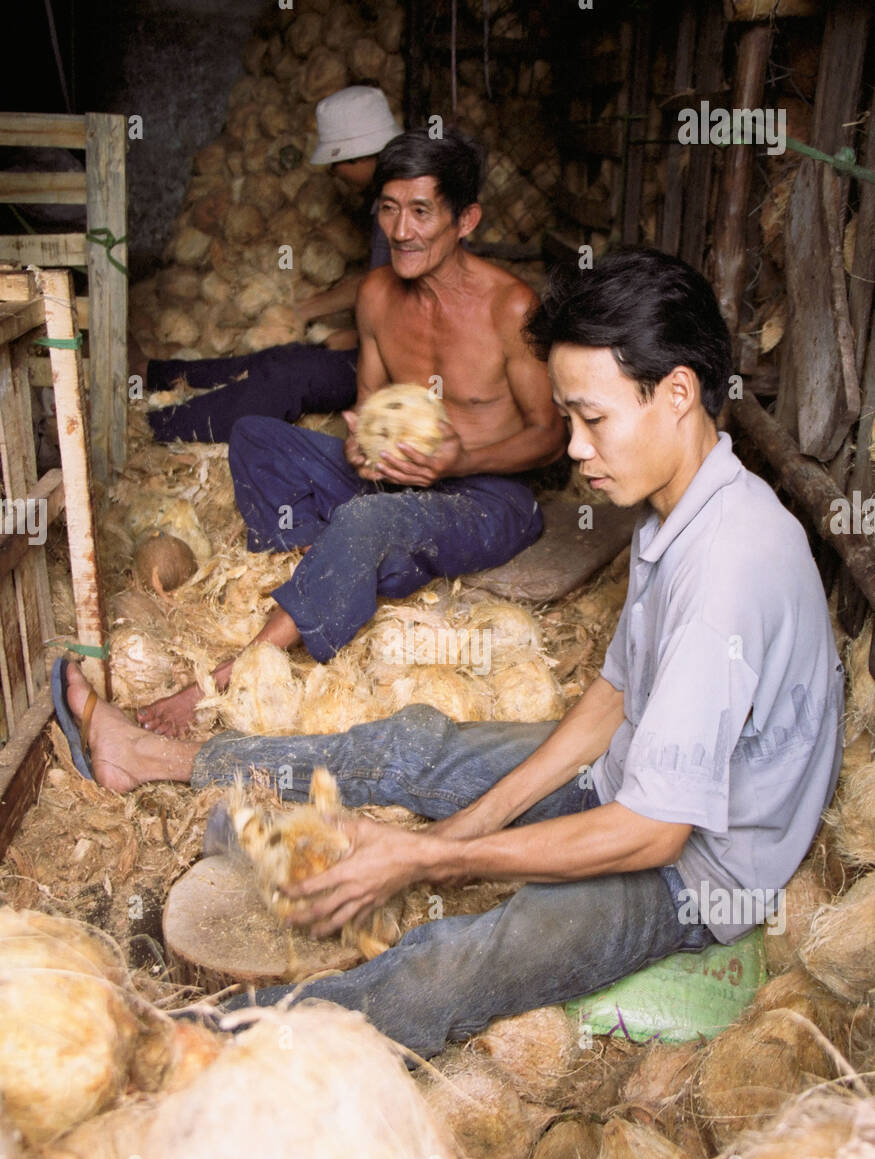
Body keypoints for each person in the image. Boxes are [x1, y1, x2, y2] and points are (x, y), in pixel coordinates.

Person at [55, 247, 845, 1059]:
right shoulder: (676, 505)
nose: (571, 447)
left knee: (462, 960)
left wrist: (436, 863)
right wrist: (445, 842)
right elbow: (613, 697)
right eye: (568, 419)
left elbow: (651, 834)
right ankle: (154, 758)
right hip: (629, 772)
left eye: (592, 418)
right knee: (410, 748)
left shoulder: (727, 569)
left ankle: (180, 1047)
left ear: (676, 392)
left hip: (696, 872)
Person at [137, 127, 568, 736]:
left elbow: (550, 436)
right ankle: (330, 564)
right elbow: (365, 415)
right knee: (257, 434)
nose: (400, 230)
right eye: (388, 209)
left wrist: (455, 462)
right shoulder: (375, 295)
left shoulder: (511, 307)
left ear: (465, 219)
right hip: (392, 488)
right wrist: (360, 448)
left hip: (488, 497)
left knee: (368, 523)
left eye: (421, 212)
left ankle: (249, 659)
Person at [139, 86, 403, 444]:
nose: (335, 172)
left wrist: (366, 343)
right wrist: (314, 314)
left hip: (402, 367)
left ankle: (156, 428)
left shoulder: (405, 207)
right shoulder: (390, 198)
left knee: (287, 378)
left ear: (358, 157)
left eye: (338, 162)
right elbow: (382, 284)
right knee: (277, 359)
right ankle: (156, 374)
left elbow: (404, 299)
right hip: (385, 347)